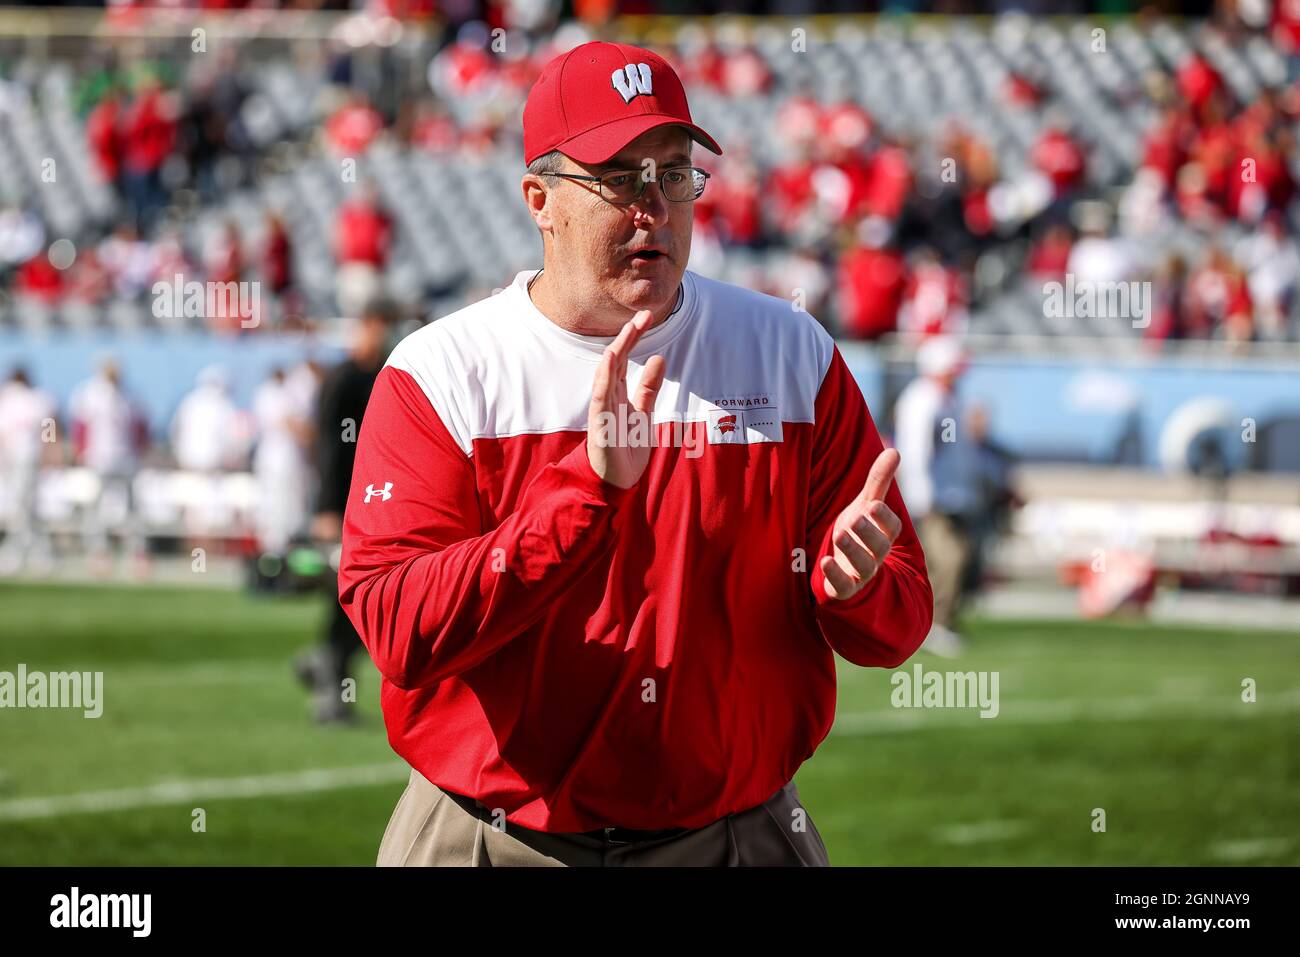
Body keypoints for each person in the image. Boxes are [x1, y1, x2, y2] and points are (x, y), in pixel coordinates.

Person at [339, 42, 932, 867]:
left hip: (736, 834)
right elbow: (400, 629)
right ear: (539, 200)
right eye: (620, 178)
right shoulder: (441, 372)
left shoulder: (790, 354)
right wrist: (586, 490)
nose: (654, 204)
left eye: (675, 174)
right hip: (489, 838)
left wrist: (857, 592)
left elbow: (901, 615)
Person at [295, 298, 399, 724]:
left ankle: (321, 663)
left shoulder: (383, 375)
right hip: (342, 506)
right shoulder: (342, 380)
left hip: (376, 502)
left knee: (366, 600)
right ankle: (329, 683)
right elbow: (327, 448)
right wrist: (326, 508)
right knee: (351, 600)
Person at [0, 368, 57, 575]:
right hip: (21, 460)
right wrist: (48, 450)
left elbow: (48, 426)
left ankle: (23, 554)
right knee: (24, 510)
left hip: (24, 460)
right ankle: (35, 554)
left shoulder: (31, 399)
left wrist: (48, 450)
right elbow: (49, 427)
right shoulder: (29, 399)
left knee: (24, 509)